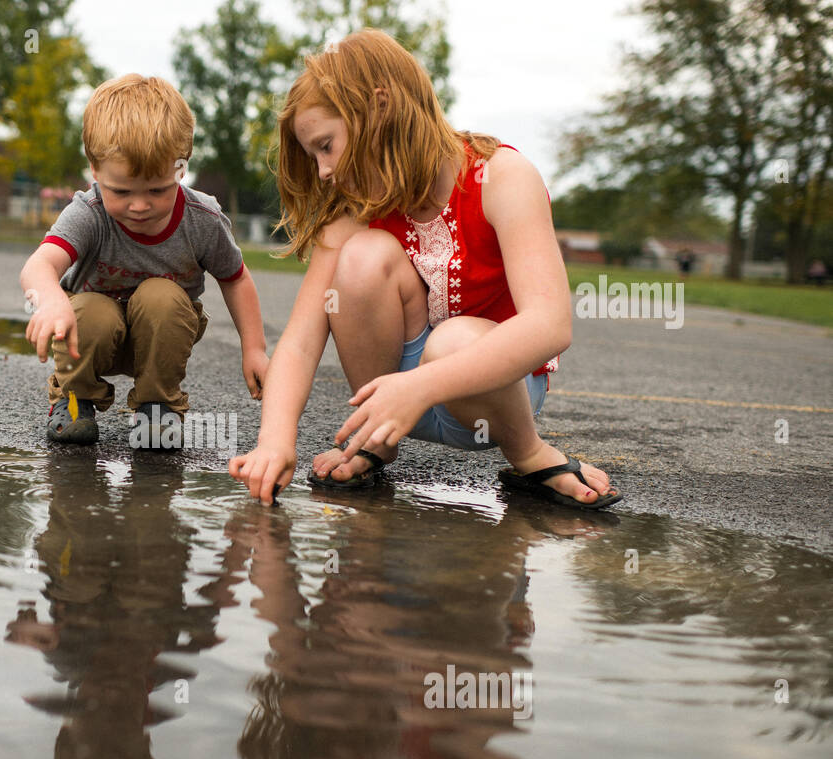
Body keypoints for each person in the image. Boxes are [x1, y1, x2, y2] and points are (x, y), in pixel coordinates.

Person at [229, 30, 622, 509]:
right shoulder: (359, 206)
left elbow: (551, 325)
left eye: (326, 146)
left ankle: (532, 454)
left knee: (452, 339)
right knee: (361, 257)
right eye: (314, 156)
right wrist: (274, 439)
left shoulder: (500, 177)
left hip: (493, 399)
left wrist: (418, 386)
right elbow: (301, 338)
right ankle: (375, 442)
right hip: (391, 402)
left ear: (380, 106)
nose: (323, 172)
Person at [19, 74, 269, 449]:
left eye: (157, 190)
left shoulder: (202, 218)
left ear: (181, 168)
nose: (139, 205)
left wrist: (254, 348)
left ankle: (157, 409)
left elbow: (235, 278)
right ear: (94, 168)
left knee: (163, 297)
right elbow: (38, 266)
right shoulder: (90, 212)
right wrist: (51, 299)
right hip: (90, 336)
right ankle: (73, 401)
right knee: (90, 310)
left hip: (159, 336)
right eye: (121, 191)